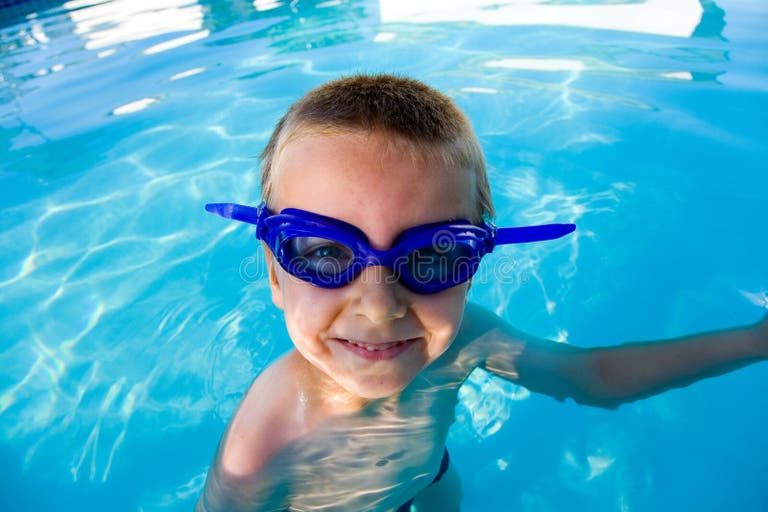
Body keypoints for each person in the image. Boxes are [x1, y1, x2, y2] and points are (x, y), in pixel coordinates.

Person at [197, 74, 767, 512]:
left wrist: (754, 340)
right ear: (275, 272)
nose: (379, 306)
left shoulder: (465, 337)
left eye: (434, 255)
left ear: (470, 270)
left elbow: (592, 378)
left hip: (433, 474)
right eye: (322, 253)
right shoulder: (259, 454)